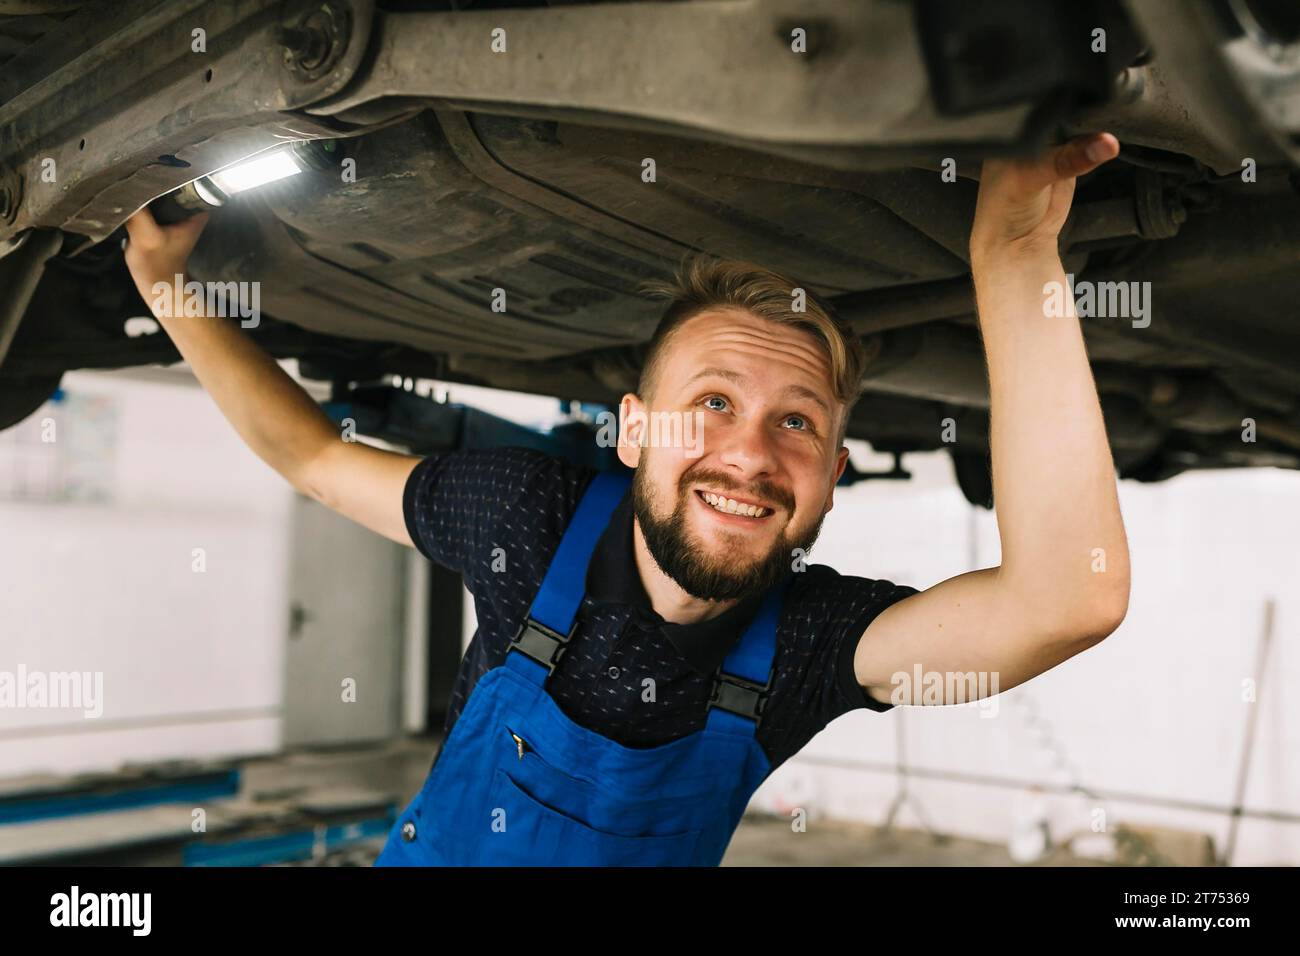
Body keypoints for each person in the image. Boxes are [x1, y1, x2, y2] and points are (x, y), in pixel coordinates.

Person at [122, 131, 1130, 866]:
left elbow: (1068, 597)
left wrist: (1014, 259)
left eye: (798, 423)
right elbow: (312, 459)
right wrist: (170, 289)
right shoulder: (528, 519)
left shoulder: (809, 647)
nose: (748, 454)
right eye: (714, 402)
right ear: (634, 427)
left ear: (830, 475)